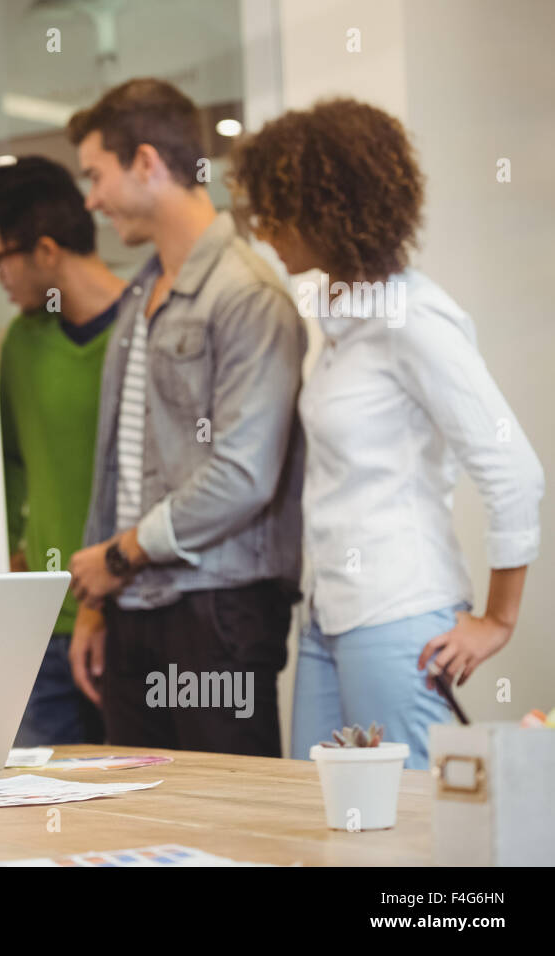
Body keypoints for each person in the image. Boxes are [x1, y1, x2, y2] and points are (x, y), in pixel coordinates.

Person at [229, 98, 545, 768]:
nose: (263, 228)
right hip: (329, 614)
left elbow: (513, 470)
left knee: (411, 834)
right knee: (325, 826)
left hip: (398, 612)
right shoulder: (347, 321)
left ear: (326, 205)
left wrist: (497, 622)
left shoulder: (414, 320)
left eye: (277, 208)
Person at [64, 78, 307, 758]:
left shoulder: (247, 295)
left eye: (96, 176)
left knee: (228, 831)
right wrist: (95, 601)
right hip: (132, 606)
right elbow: (118, 460)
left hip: (218, 611)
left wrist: (120, 555)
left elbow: (243, 474)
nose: (91, 199)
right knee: (140, 822)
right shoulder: (141, 290)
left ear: (147, 163)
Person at [0, 156, 123, 746]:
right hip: (41, 631)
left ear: (43, 251)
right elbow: (9, 464)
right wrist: (7, 550)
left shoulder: (141, 333)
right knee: (37, 812)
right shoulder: (24, 343)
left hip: (125, 623)